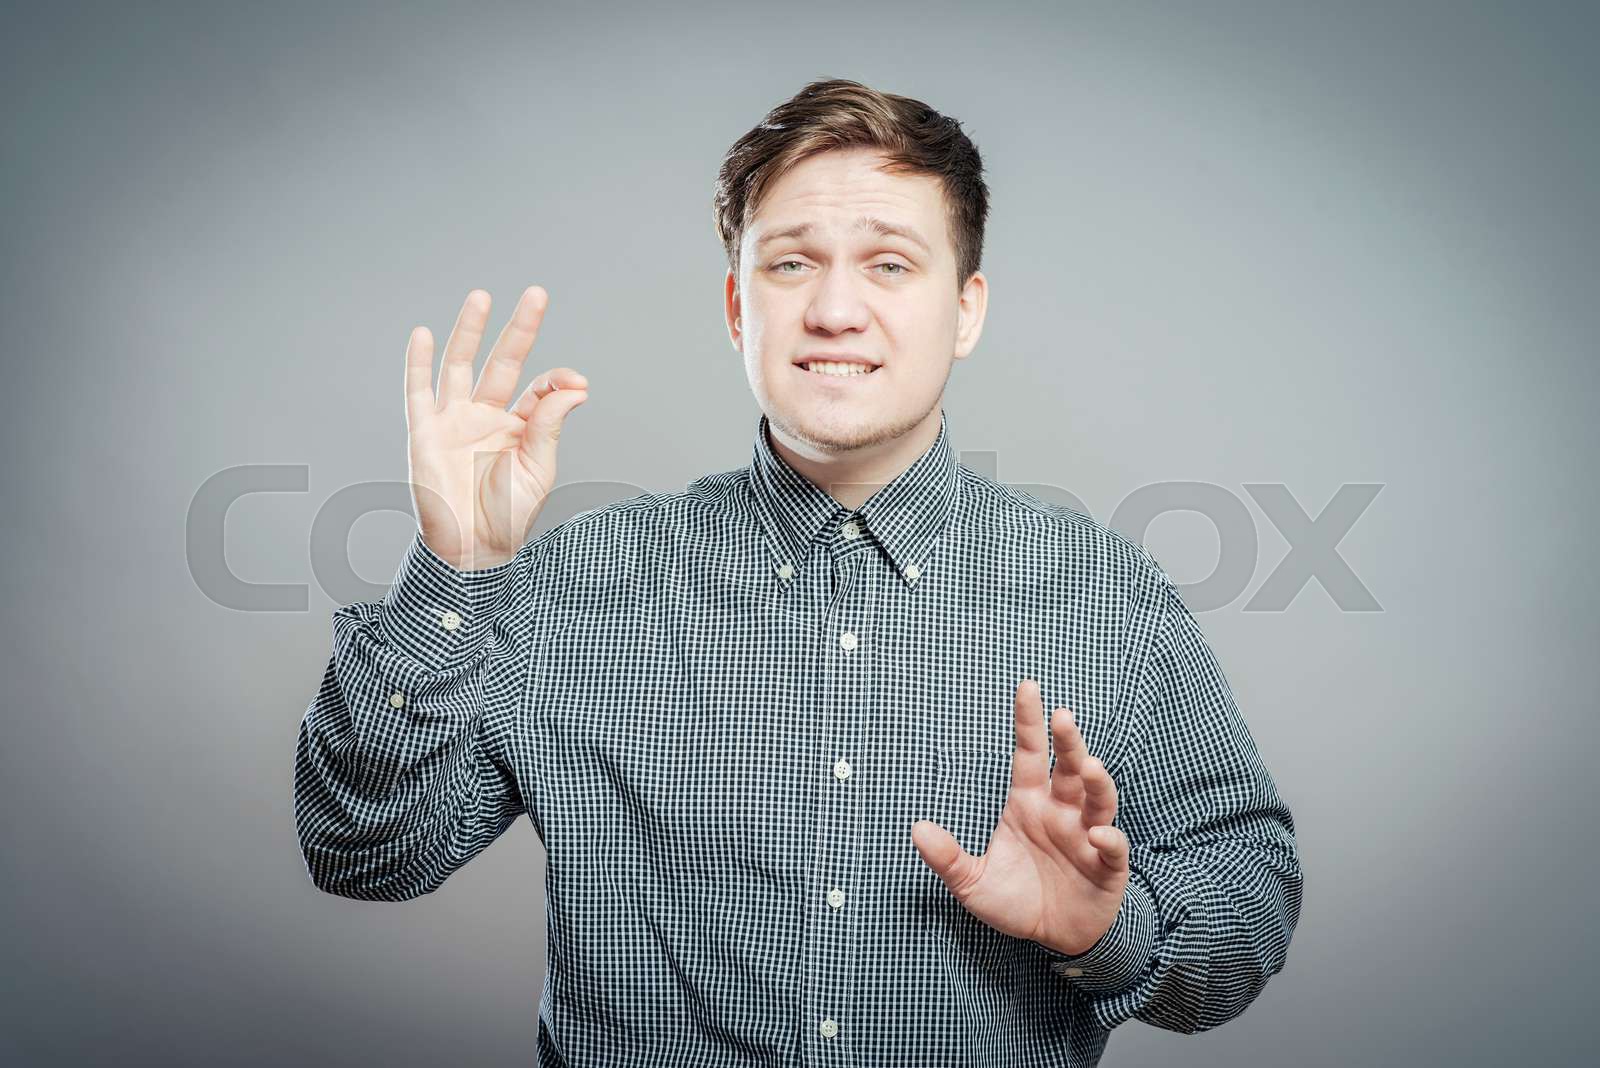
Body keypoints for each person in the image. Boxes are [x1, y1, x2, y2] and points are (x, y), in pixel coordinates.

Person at [293, 77, 1303, 1067]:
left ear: (965, 308)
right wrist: (454, 570)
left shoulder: (1102, 595)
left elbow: (1247, 909)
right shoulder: (578, 581)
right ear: (739, 307)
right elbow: (367, 854)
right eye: (789, 265)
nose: (833, 309)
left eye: (890, 265)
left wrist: (1102, 929)